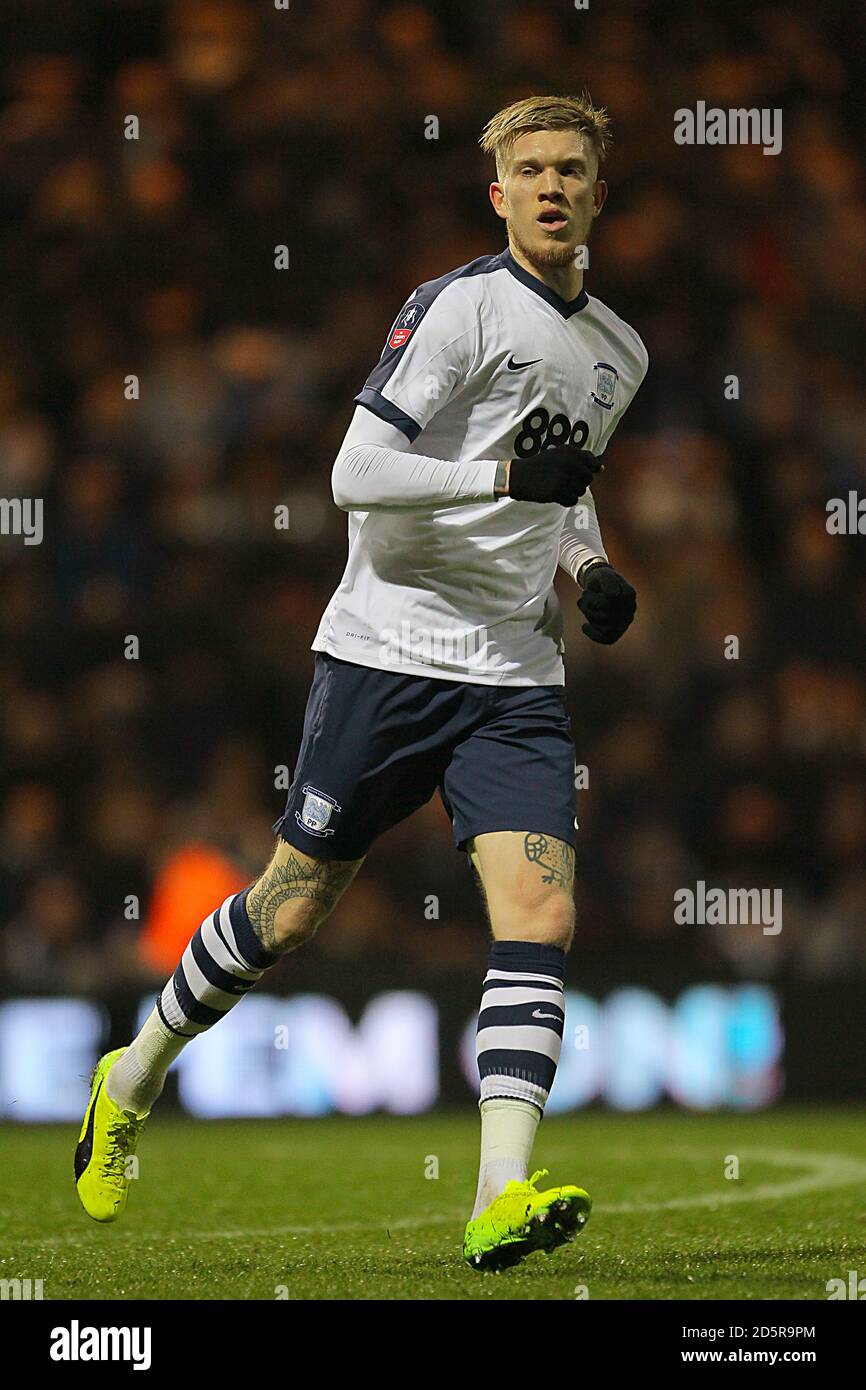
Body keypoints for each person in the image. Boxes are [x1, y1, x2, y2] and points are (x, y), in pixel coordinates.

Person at [75, 93, 648, 1273]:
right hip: (386, 649)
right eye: (528, 169)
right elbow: (353, 472)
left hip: (510, 672)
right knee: (289, 909)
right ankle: (129, 1078)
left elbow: (563, 481)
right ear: (496, 193)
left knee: (538, 913)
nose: (549, 186)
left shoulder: (621, 352)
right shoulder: (454, 308)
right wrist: (498, 477)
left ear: (598, 193)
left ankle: (497, 1194)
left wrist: (586, 567)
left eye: (570, 170)